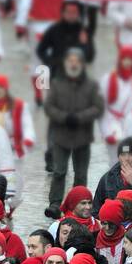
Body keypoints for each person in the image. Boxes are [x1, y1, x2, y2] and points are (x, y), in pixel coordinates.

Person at [43, 48, 101, 216]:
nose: (73, 63)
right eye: (70, 60)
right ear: (66, 63)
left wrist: (80, 117)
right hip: (61, 136)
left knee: (81, 174)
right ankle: (55, 203)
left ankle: (78, 204)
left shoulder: (91, 85)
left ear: (82, 64)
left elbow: (98, 107)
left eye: (77, 60)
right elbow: (49, 106)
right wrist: (64, 117)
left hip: (83, 136)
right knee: (59, 171)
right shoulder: (56, 83)